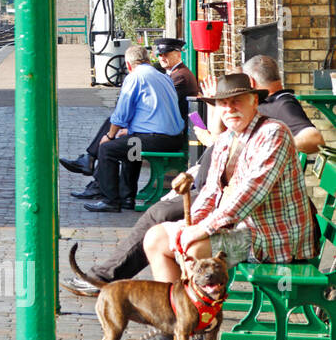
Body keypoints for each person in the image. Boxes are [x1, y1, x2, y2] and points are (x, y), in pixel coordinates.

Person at [63, 54, 324, 308]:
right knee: (156, 237)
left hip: (270, 236)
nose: (230, 109)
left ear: (254, 99)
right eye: (223, 104)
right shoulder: (229, 137)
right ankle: (173, 324)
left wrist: (202, 229)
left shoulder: (274, 129)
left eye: (238, 101)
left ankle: (196, 330)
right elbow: (212, 190)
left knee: (194, 245)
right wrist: (190, 223)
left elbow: (250, 193)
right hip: (241, 225)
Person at [77, 46, 185, 212]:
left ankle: (110, 200)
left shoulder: (135, 76)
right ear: (148, 60)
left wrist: (110, 135)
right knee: (131, 148)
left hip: (157, 138)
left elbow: (122, 112)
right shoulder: (163, 76)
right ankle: (127, 197)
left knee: (107, 149)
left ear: (128, 64)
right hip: (173, 137)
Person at [154, 37, 200, 121]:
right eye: (160, 55)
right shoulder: (176, 73)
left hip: (181, 127)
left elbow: (163, 102)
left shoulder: (180, 76)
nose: (162, 58)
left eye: (166, 54)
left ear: (178, 54)